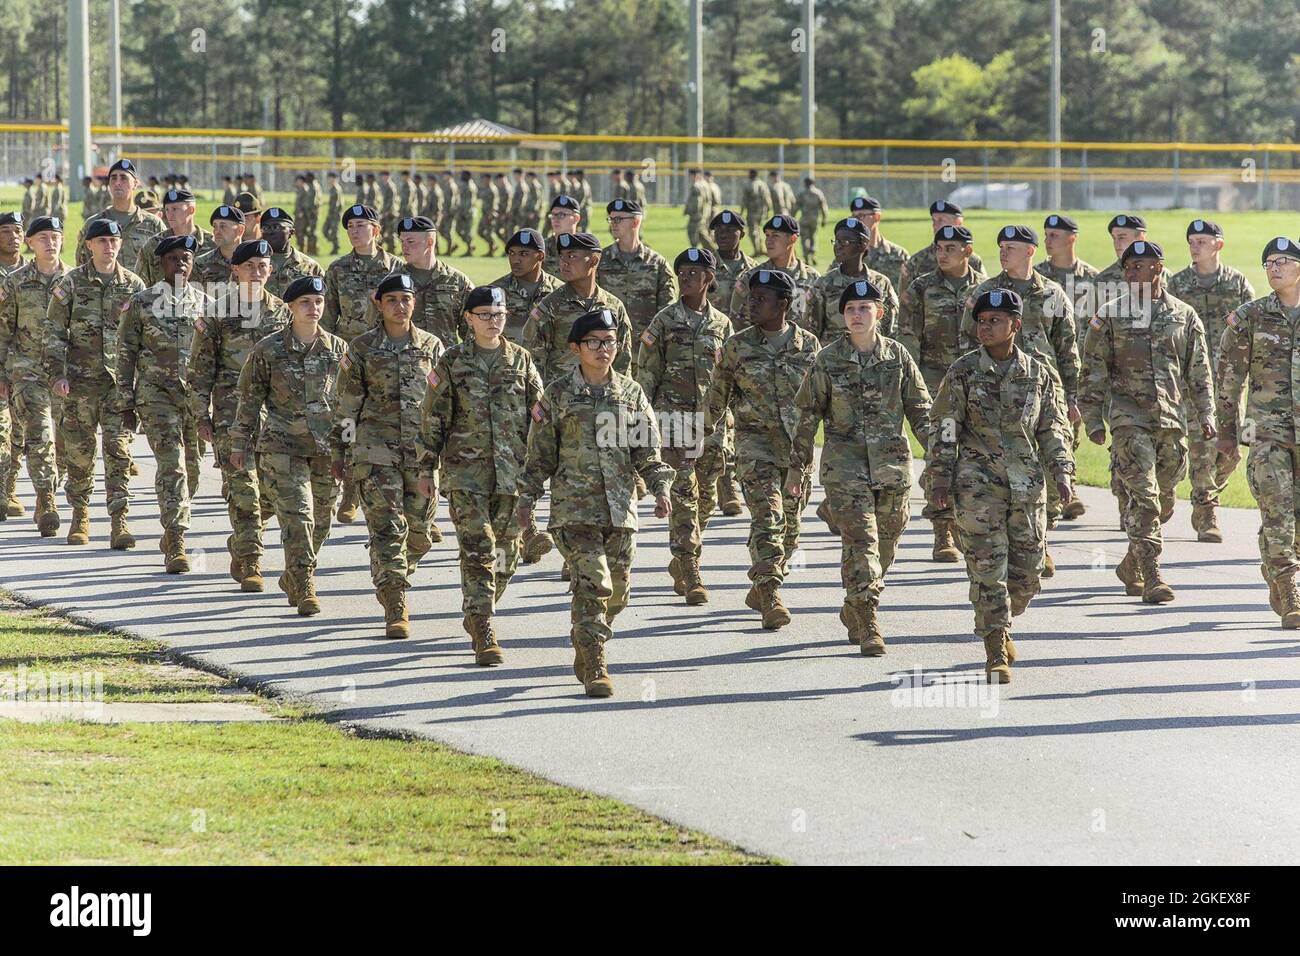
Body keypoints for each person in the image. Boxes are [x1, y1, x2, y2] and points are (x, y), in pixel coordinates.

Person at [518, 308, 673, 698]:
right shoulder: (556, 394)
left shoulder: (631, 393)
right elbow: (539, 456)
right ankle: (596, 664)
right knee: (594, 586)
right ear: (575, 347)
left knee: (618, 593)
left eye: (610, 341)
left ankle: (585, 641)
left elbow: (647, 452)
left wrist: (660, 489)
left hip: (621, 510)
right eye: (594, 342)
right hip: (574, 511)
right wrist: (526, 501)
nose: (604, 349)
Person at [929, 289, 1073, 682]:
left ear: (1016, 325)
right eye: (981, 320)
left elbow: (1052, 427)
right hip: (977, 488)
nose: (985, 326)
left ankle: (1005, 618)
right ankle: (995, 646)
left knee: (1027, 576)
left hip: (1027, 489)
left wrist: (1062, 472)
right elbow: (944, 427)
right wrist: (939, 477)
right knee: (988, 571)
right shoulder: (962, 371)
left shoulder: (1038, 373)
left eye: (995, 320)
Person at [790, 279, 932, 653]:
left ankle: (854, 604)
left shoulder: (898, 357)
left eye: (864, 308)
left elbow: (920, 410)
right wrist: (797, 468)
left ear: (879, 313)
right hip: (845, 468)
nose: (856, 315)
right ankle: (868, 619)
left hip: (892, 469)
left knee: (885, 545)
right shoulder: (827, 359)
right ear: (842, 316)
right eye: (850, 309)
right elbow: (807, 416)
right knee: (862, 544)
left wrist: (939, 453)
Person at [1078, 240, 1215, 604]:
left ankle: (1130, 563)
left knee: (1165, 500)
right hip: (1128, 419)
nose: (1132, 272)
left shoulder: (1184, 316)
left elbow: (1199, 372)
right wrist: (1092, 419)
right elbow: (1092, 372)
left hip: (1172, 421)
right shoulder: (1110, 314)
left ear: (1158, 267)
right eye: (1128, 268)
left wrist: (1207, 415)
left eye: (1140, 266)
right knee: (1146, 498)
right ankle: (1152, 574)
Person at [421, 286, 542, 661]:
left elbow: (540, 419)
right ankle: (483, 624)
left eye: (499, 314)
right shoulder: (452, 362)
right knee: (478, 550)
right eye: (486, 315)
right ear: (469, 319)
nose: (494, 321)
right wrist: (426, 468)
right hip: (465, 475)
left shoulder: (521, 361)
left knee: (506, 555)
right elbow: (433, 419)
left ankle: (478, 608)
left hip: (512, 476)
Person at [705, 269, 821, 629]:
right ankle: (770, 595)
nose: (751, 305)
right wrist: (704, 445)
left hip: (796, 453)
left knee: (791, 528)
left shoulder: (809, 346)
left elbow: (821, 401)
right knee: (767, 519)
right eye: (750, 298)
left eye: (761, 299)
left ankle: (763, 582)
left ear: (783, 305)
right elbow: (715, 400)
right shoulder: (738, 346)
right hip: (754, 448)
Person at [960, 224, 1078, 572]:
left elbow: (1068, 349)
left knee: (1052, 470)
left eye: (1011, 247)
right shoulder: (984, 292)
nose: (1003, 252)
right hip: (995, 394)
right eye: (1000, 247)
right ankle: (1015, 544)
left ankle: (1040, 537)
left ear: (1030, 251)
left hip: (1045, 394)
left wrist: (1073, 398)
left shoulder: (1053, 293)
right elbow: (967, 344)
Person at [337, 272, 445, 637]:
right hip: (375, 450)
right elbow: (347, 405)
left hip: (421, 455)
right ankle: (396, 602)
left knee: (418, 532)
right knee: (387, 528)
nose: (400, 307)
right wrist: (346, 452)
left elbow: (444, 403)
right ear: (379, 304)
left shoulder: (432, 347)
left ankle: (391, 571)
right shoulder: (362, 348)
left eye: (406, 299)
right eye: (392, 300)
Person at [231, 274, 346, 616]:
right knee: (299, 516)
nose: (314, 308)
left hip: (326, 448)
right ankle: (304, 581)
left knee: (321, 521)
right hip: (282, 445)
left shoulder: (339, 350)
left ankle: (289, 570)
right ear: (291, 308)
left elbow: (352, 403)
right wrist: (239, 444)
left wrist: (351, 448)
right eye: (306, 303)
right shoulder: (269, 349)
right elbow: (249, 401)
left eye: (319, 302)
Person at [187, 239, 291, 591]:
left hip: (277, 421)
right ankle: (250, 561)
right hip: (232, 420)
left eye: (263, 266)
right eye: (249, 266)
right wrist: (201, 416)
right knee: (244, 490)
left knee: (274, 495)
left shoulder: (283, 313)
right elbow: (200, 371)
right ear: (236, 270)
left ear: (271, 270)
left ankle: (244, 541)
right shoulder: (217, 314)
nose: (257, 272)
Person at [637, 248, 734, 604]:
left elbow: (729, 378)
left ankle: (684, 557)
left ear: (709, 278)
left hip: (713, 425)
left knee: (706, 498)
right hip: (674, 422)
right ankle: (690, 566)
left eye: (694, 272)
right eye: (682, 272)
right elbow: (645, 375)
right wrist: (644, 425)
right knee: (683, 497)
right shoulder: (663, 321)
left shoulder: (722, 325)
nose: (686, 278)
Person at [46, 218, 146, 548]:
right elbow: (55, 334)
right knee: (79, 454)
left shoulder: (133, 285)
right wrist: (57, 375)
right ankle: (80, 515)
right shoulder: (70, 284)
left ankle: (120, 522)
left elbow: (144, 338)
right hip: (80, 383)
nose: (108, 246)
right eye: (101, 241)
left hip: (119, 387)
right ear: (89, 245)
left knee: (118, 452)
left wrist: (141, 382)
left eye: (113, 240)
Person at [1216, 237, 1300, 628]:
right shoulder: (1249, 316)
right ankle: (1289, 590)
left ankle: (1276, 571)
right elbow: (1229, 380)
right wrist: (1227, 434)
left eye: (1282, 260)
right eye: (1267, 262)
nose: (1273, 267)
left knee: (1294, 519)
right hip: (1266, 433)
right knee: (1277, 510)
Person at [115, 234, 206, 571]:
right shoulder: (141, 302)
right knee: (173, 466)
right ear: (161, 263)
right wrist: (125, 402)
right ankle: (177, 542)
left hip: (194, 400)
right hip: (156, 397)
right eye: (173, 258)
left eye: (186, 257)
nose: (180, 263)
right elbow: (125, 354)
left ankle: (173, 528)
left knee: (193, 468)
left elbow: (211, 358)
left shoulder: (206, 304)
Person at [896, 224, 986, 561]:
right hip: (934, 387)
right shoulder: (919, 289)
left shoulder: (985, 290)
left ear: (968, 250)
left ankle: (969, 526)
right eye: (939, 248)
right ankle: (942, 532)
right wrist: (913, 387)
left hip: (975, 385)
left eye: (951, 247)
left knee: (974, 455)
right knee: (940, 453)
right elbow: (908, 338)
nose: (943, 253)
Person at [1167, 218, 1256, 542]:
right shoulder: (1176, 285)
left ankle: (1204, 490)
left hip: (1232, 382)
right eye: (1191, 240)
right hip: (1194, 383)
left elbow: (1253, 331)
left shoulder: (1237, 284)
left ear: (1218, 244)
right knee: (1203, 446)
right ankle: (1206, 510)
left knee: (1232, 452)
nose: (1195, 245)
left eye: (1202, 241)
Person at [321, 204, 400, 524]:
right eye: (350, 226)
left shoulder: (395, 268)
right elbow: (327, 318)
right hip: (350, 357)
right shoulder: (338, 269)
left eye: (361, 225)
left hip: (387, 356)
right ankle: (351, 492)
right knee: (349, 422)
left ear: (377, 231)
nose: (354, 231)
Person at [0, 215, 67, 535]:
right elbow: (3, 331)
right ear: (31, 242)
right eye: (42, 237)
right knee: (40, 436)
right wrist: (2, 373)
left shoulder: (75, 281)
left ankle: (48, 491)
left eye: (55, 236)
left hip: (66, 375)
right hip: (26, 371)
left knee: (66, 446)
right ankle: (47, 498)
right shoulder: (15, 282)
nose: (50, 242)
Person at [597, 199, 677, 370]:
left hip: (646, 353)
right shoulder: (600, 261)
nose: (613, 224)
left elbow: (667, 310)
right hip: (609, 351)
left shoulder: (657, 263)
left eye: (619, 219)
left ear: (635, 222)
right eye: (611, 219)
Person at [728, 215, 818, 331]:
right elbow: (737, 322)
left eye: (775, 235)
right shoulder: (752, 278)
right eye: (767, 236)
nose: (769, 241)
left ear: (793, 239)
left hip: (802, 347)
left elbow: (818, 324)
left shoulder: (813, 278)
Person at [75, 158, 164, 271]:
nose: (117, 182)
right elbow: (82, 267)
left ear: (135, 183)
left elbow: (166, 264)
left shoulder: (153, 224)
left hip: (143, 288)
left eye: (123, 178)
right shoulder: (93, 224)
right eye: (113, 178)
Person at [898, 200, 985, 291]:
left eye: (941, 220)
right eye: (934, 220)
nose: (936, 225)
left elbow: (984, 289)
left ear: (958, 223)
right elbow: (905, 298)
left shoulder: (973, 260)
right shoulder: (917, 261)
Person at [259, 207, 324, 300]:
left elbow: (324, 303)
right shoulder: (254, 265)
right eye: (265, 228)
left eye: (276, 227)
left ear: (291, 232)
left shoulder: (310, 267)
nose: (271, 232)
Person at [849, 195, 910, 291]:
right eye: (853, 217)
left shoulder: (899, 255)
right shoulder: (848, 255)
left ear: (876, 217)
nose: (857, 221)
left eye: (861, 216)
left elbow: (910, 294)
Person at [795, 178, 829, 265]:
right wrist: (824, 219)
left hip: (804, 219)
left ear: (805, 184)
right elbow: (824, 207)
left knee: (804, 238)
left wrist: (792, 217)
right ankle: (813, 255)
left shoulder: (802, 194)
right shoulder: (818, 193)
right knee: (813, 237)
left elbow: (795, 207)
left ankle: (806, 257)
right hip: (814, 219)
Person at [741, 170, 772, 256]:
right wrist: (768, 210)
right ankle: (762, 249)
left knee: (753, 231)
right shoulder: (763, 184)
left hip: (752, 211)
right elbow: (767, 199)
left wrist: (742, 211)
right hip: (762, 211)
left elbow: (744, 200)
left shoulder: (749, 185)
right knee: (759, 230)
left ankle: (757, 249)